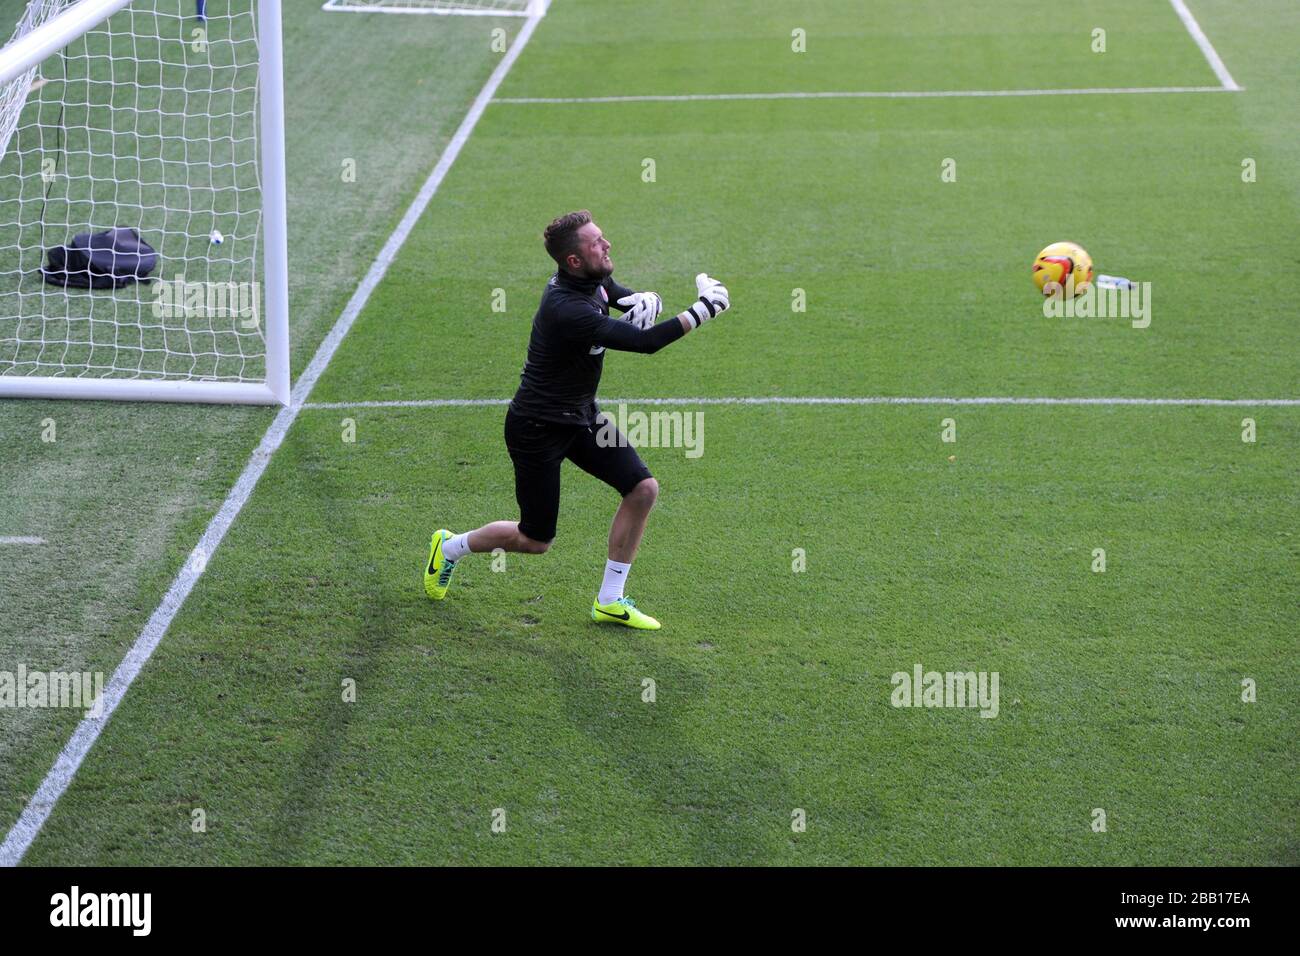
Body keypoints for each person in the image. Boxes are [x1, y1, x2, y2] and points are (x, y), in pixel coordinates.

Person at [424, 210, 730, 630]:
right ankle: (451, 547)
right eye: (596, 243)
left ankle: (610, 599)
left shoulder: (590, 278)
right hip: (538, 429)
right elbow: (643, 342)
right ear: (573, 260)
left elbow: (616, 295)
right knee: (535, 540)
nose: (606, 246)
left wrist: (642, 298)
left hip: (582, 418)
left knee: (642, 489)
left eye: (602, 238)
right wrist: (704, 309)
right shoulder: (566, 309)